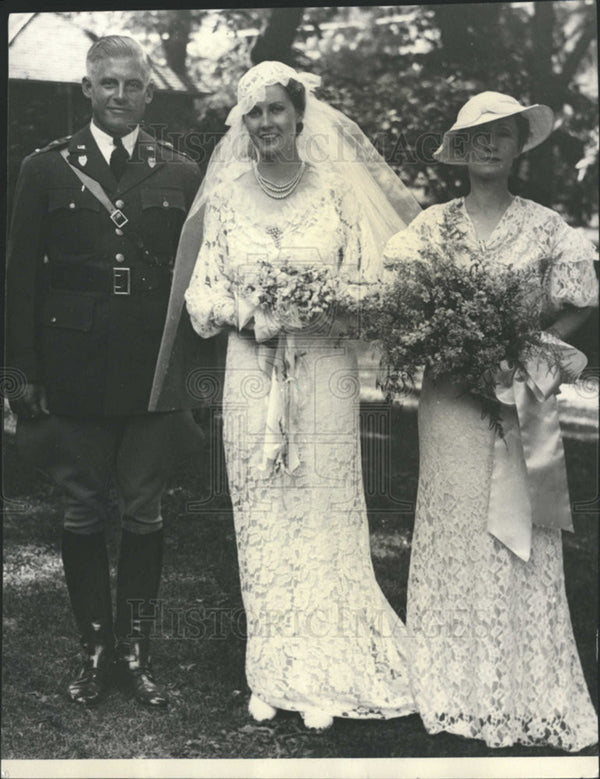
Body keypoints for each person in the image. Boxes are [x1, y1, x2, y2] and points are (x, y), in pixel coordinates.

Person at [151, 60, 422, 729]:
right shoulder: (227, 197)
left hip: (324, 370)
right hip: (251, 373)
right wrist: (255, 315)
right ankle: (273, 671)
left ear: (300, 115)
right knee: (264, 514)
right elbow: (201, 299)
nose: (266, 121)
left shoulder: (336, 190)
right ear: (242, 123)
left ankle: (328, 669)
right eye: (255, 112)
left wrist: (317, 304)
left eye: (277, 108)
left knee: (324, 511)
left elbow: (373, 285)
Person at [384, 91, 598, 751]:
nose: (489, 144)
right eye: (477, 134)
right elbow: (401, 299)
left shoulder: (547, 227)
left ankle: (518, 682)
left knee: (515, 535)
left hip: (520, 395)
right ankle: (449, 682)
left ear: (517, 147)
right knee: (453, 527)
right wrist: (448, 344)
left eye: (502, 134)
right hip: (450, 402)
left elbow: (582, 300)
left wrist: (530, 350)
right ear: (460, 148)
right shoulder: (431, 227)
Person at [5, 36, 210, 708]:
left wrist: (195, 376)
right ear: (87, 89)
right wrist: (19, 372)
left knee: (145, 510)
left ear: (150, 93)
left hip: (152, 369)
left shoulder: (180, 172)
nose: (120, 95)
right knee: (83, 507)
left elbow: (200, 283)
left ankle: (135, 652)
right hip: (73, 367)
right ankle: (94, 648)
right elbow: (19, 279)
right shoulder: (45, 168)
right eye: (108, 83)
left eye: (132, 84)